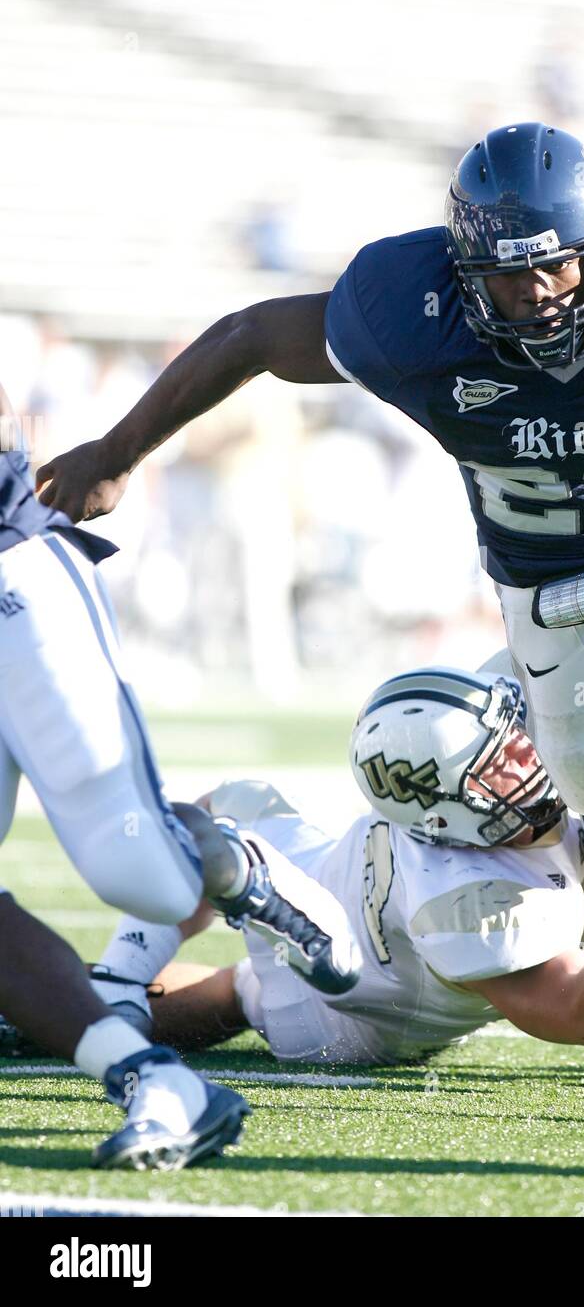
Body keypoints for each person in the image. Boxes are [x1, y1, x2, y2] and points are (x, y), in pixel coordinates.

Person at [36, 122, 584, 917]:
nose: (536, 295)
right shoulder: (410, 315)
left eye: (558, 268)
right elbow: (250, 335)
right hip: (551, 593)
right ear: (462, 274)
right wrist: (114, 454)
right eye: (507, 275)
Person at [81, 667, 584, 1087]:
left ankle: (101, 993)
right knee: (261, 986)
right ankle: (106, 991)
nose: (530, 757)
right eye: (502, 764)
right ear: (454, 815)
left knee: (226, 823)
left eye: (517, 735)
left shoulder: (479, 812)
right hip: (344, 1013)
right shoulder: (469, 898)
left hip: (339, 873)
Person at [0, 384, 360, 1168]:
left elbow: (253, 332)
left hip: (11, 588)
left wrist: (118, 447)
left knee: (148, 883)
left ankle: (239, 866)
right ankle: (160, 1084)